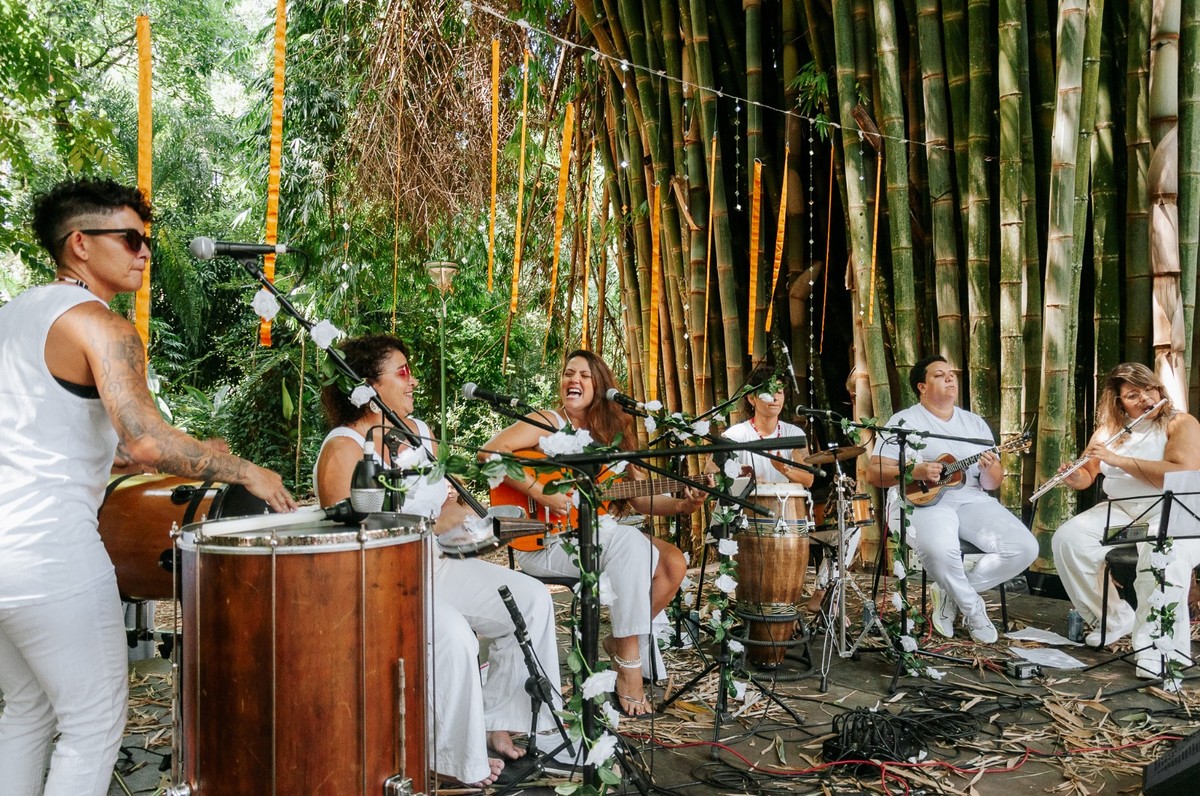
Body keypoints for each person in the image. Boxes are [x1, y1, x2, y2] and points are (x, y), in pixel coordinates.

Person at [0, 178, 297, 796]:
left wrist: (166, 460)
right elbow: (146, 443)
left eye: (147, 240)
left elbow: (55, 445)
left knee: (27, 714)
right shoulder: (100, 325)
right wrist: (246, 470)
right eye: (131, 238)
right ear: (79, 243)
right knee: (92, 726)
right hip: (48, 550)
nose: (144, 253)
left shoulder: (14, 318)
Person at [314, 333, 562, 788]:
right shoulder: (344, 447)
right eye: (402, 372)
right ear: (367, 384)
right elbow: (347, 538)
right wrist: (430, 524)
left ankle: (498, 723)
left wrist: (463, 514)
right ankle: (449, 761)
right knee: (451, 635)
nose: (413, 382)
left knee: (528, 599)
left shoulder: (421, 434)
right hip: (377, 579)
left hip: (436, 564)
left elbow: (441, 508)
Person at [484, 350, 704, 716]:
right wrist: (542, 492)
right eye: (569, 373)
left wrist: (683, 505)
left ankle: (618, 640)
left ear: (601, 385)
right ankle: (629, 668)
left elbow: (640, 500)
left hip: (596, 534)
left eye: (585, 375)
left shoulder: (615, 435)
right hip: (546, 539)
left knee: (672, 563)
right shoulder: (548, 421)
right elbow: (491, 453)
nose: (574, 380)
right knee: (631, 542)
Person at [866, 355, 1037, 643]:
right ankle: (973, 609)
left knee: (1024, 548)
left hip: (972, 498)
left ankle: (951, 593)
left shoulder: (975, 423)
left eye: (952, 374)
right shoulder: (904, 421)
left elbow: (993, 483)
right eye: (939, 374)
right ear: (921, 386)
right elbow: (874, 473)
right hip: (921, 500)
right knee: (939, 550)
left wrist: (991, 468)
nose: (950, 378)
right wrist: (914, 470)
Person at [1050, 363, 1200, 674]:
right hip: (1122, 508)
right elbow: (1088, 475)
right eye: (1134, 394)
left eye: (1151, 389)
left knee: (1160, 557)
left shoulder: (1180, 423)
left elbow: (1180, 472)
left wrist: (1117, 459)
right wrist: (1072, 476)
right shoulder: (1108, 430)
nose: (1146, 398)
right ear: (1119, 402)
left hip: (1172, 507)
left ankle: (1158, 652)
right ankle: (1113, 618)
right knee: (1068, 540)